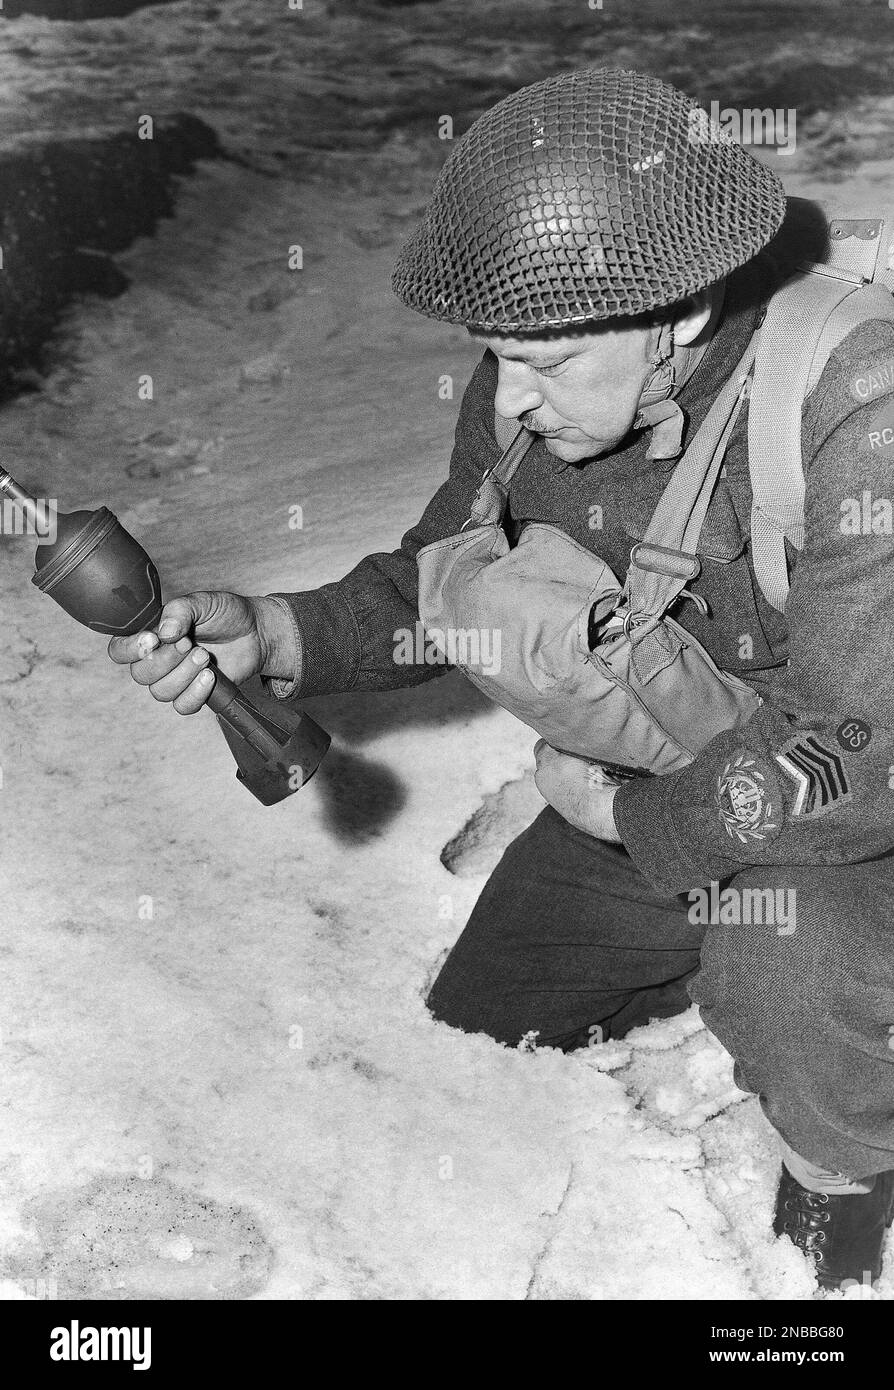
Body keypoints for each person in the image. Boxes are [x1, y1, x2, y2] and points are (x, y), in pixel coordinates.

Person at [108, 68, 894, 1292]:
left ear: (678, 314)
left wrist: (622, 813)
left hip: (841, 809)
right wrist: (276, 630)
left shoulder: (857, 402)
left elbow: (859, 756)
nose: (509, 396)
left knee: (797, 991)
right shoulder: (548, 364)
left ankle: (836, 1230)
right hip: (662, 770)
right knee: (481, 1024)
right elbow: (448, 569)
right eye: (494, 357)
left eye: (541, 361)